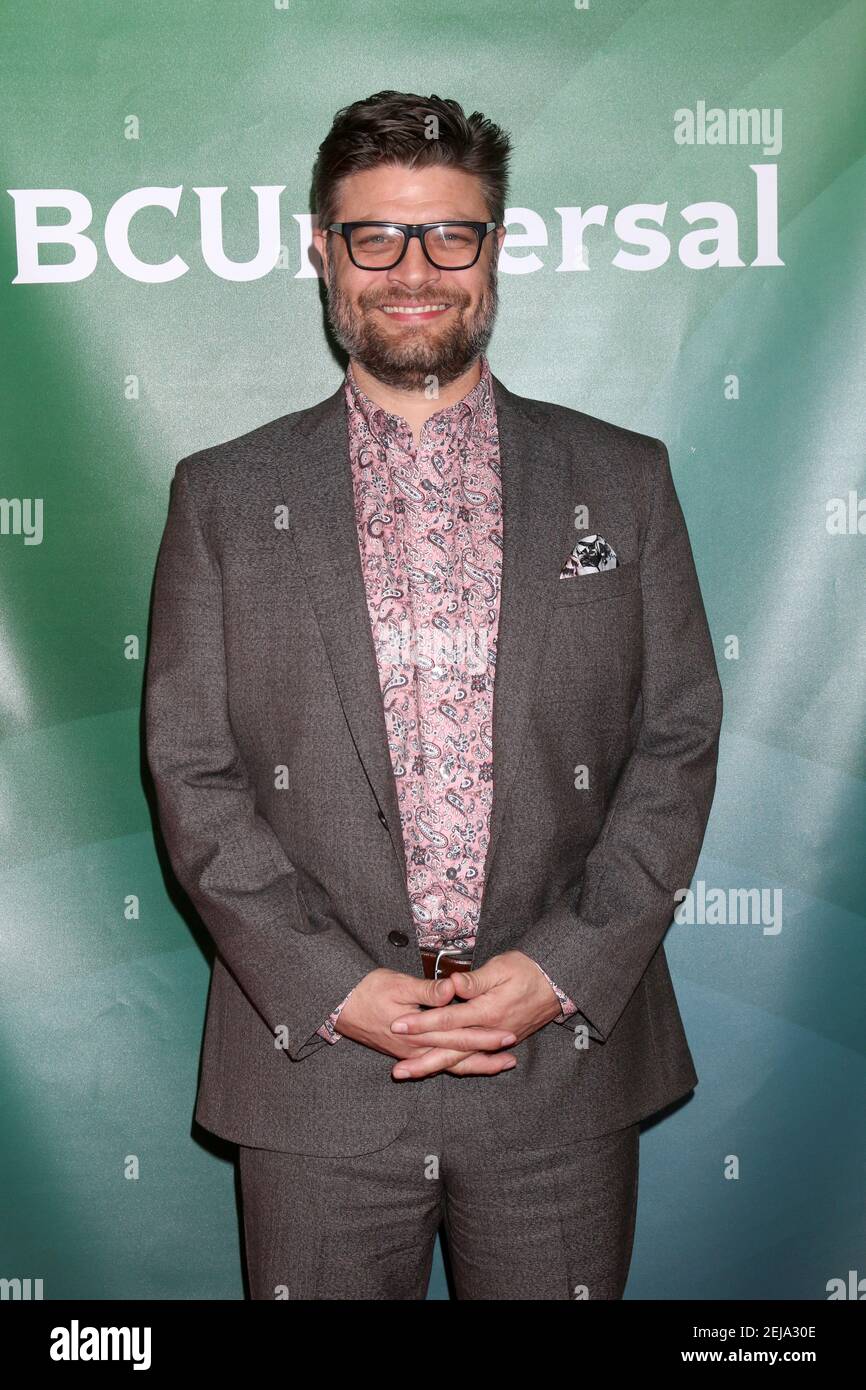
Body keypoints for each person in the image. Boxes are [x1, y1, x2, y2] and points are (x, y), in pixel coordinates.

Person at [145, 90, 723, 1300]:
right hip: (311, 1068)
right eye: (375, 236)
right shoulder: (222, 495)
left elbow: (674, 741)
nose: (414, 270)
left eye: (449, 234)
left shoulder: (621, 479)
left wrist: (560, 966)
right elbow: (191, 770)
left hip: (557, 1063)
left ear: (495, 248)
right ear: (323, 252)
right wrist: (332, 989)